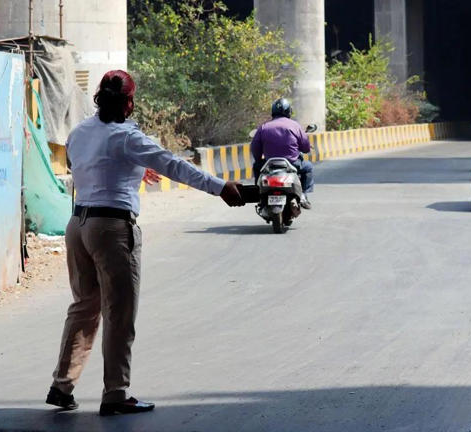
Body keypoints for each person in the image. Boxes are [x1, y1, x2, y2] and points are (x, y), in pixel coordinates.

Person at [45, 70, 244, 416]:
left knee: (84, 307)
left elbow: (91, 168)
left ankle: (62, 386)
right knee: (118, 312)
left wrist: (135, 170)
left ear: (97, 99)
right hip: (111, 228)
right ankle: (116, 393)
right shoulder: (127, 138)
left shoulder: (79, 133)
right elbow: (173, 165)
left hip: (78, 224)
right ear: (129, 103)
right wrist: (220, 187)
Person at [251, 98, 314, 209]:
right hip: (292, 163)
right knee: (308, 167)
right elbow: (305, 147)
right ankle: (303, 194)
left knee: (256, 167)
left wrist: (258, 160)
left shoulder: (264, 127)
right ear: (289, 111)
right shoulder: (295, 126)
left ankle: (259, 194)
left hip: (269, 164)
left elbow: (255, 148)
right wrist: (305, 149)